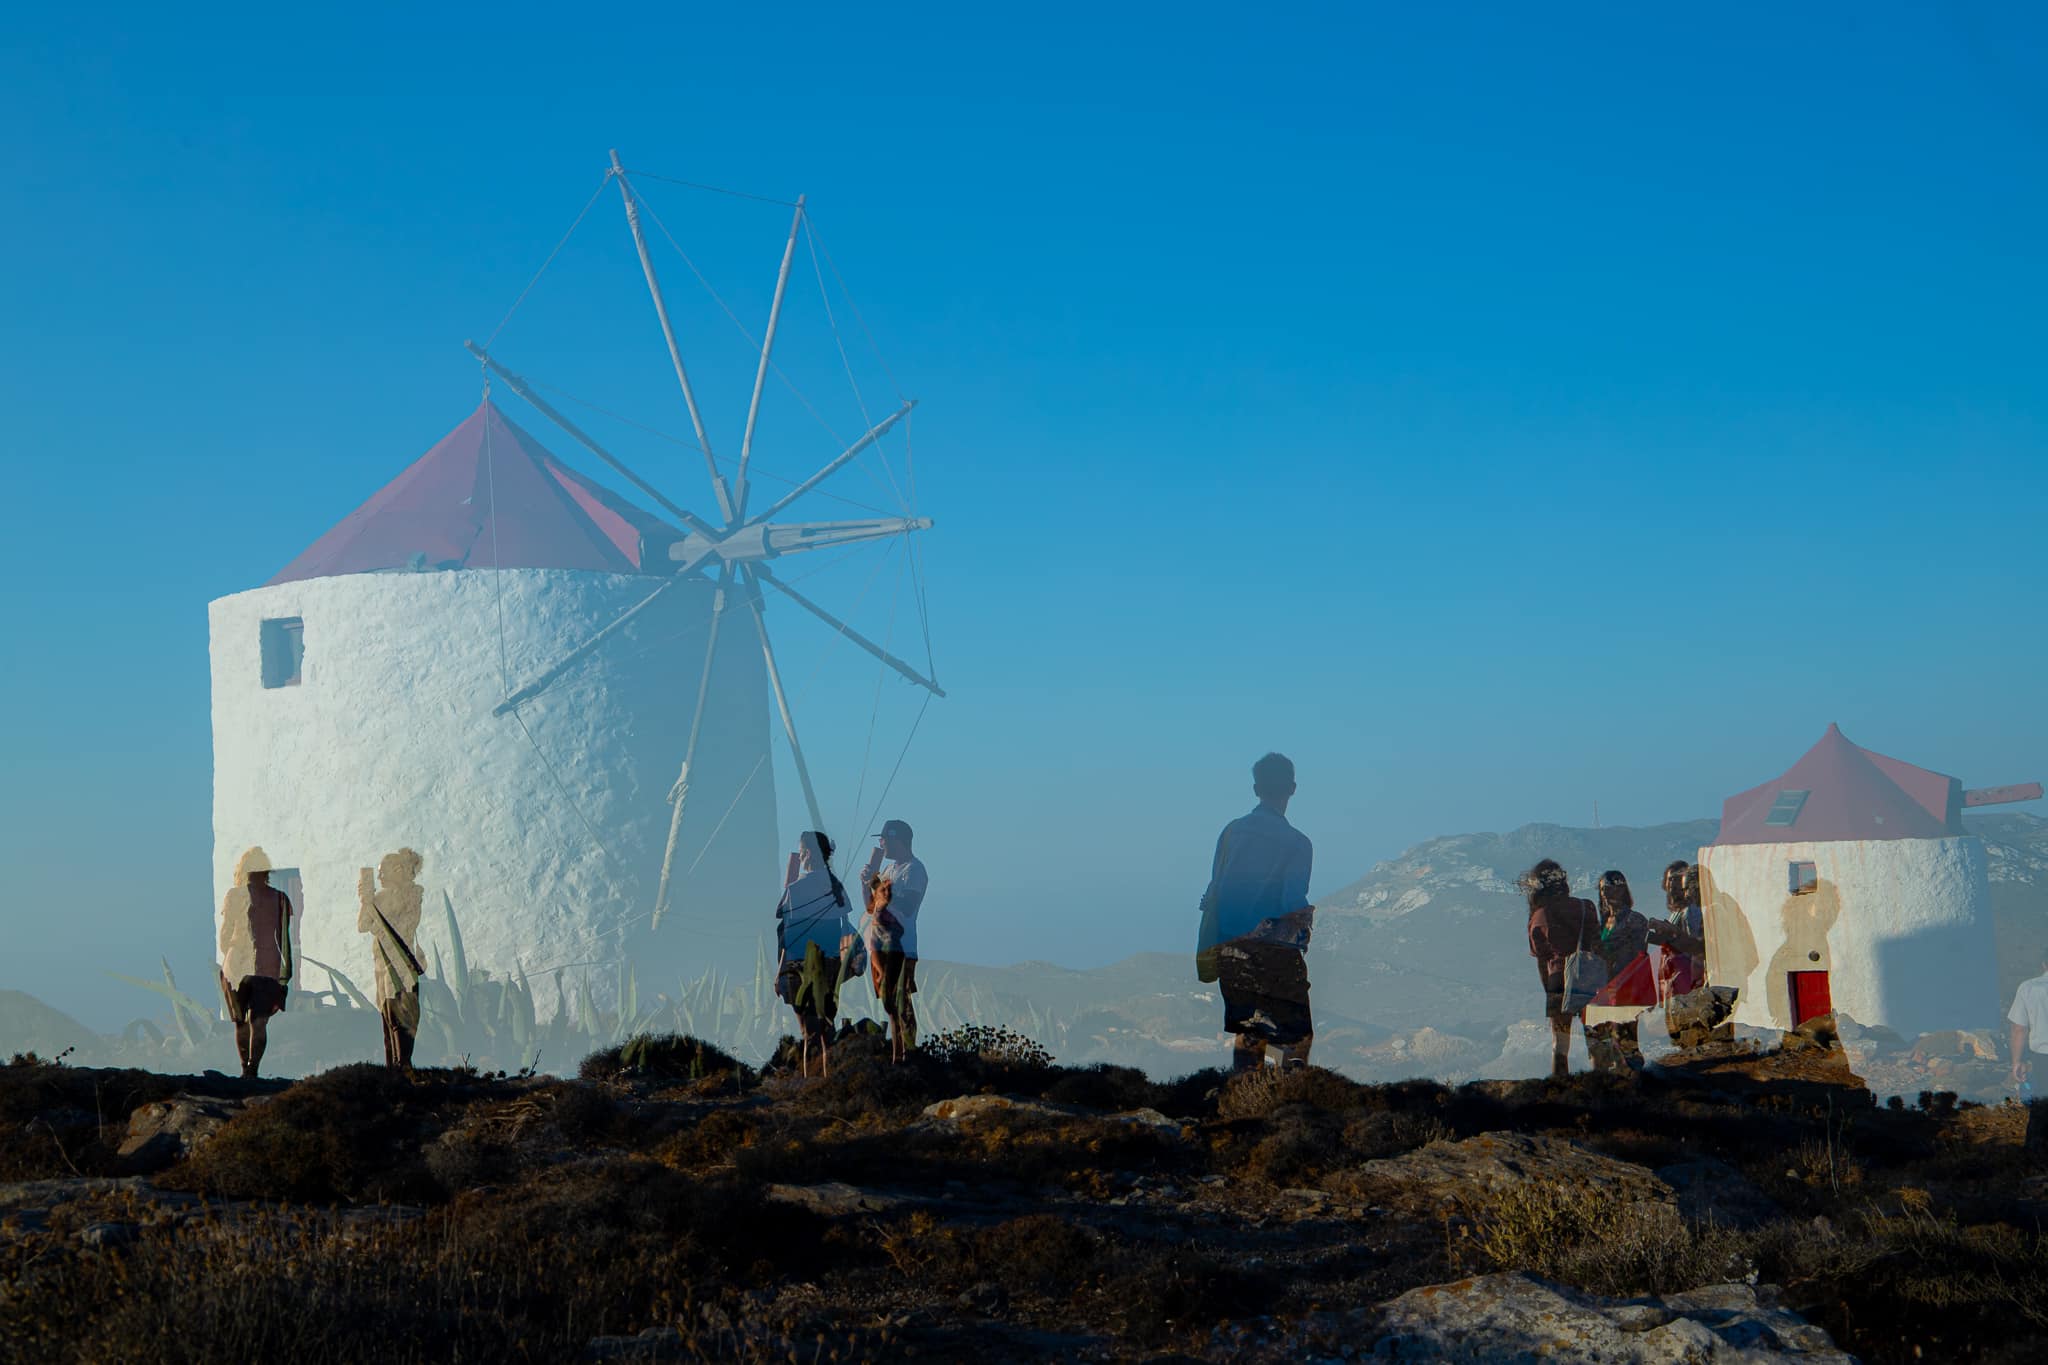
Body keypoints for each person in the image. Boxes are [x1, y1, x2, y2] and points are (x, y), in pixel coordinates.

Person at [1197, 753, 1315, 1072]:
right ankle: (1284, 1099)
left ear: (1255, 789)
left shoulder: (1231, 833)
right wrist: (1305, 923)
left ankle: (1244, 1101)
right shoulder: (1297, 843)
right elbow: (1292, 899)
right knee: (1294, 1035)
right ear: (1292, 788)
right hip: (1274, 950)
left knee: (1250, 1031)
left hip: (1231, 946)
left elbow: (1217, 886)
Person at [775, 831, 855, 1076]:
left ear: (808, 853)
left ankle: (812, 1080)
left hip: (800, 964)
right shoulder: (836, 886)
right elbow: (845, 925)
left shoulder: (796, 889)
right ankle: (826, 1077)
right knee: (825, 1026)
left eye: (801, 850)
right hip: (830, 962)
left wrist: (779, 973)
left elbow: (786, 935)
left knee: (807, 1030)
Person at [218, 847, 294, 1080]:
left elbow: (224, 935)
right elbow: (284, 938)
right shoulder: (280, 898)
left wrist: (232, 947)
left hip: (237, 966)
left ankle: (246, 1068)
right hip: (267, 965)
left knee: (241, 1022)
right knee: (258, 1023)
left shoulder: (234, 896)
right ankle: (252, 1069)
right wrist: (285, 971)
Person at [859, 819, 928, 1063]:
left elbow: (906, 906)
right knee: (890, 1003)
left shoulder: (914, 870)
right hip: (881, 946)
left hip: (901, 946)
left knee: (902, 1000)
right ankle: (897, 1054)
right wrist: (867, 884)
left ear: (897, 840)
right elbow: (871, 908)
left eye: (884, 840)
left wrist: (876, 884)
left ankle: (909, 1052)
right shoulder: (889, 871)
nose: (881, 844)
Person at [1525, 858, 1599, 1080]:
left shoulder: (1539, 917)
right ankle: (1601, 1081)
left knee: (1561, 1041)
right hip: (1589, 976)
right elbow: (1597, 943)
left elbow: (1541, 959)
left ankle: (1561, 1084)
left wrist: (1549, 990)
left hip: (1558, 977)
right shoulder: (1586, 907)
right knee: (1594, 1036)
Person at [357, 849, 425, 1070]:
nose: (379, 878)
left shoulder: (412, 894)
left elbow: (402, 927)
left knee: (402, 1015)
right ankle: (392, 1068)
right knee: (387, 1015)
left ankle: (403, 1066)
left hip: (400, 962)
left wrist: (374, 910)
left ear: (397, 870)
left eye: (382, 872)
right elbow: (363, 925)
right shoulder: (381, 898)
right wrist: (366, 902)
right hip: (382, 964)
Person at [1586, 870, 1652, 1072]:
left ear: (1622, 890)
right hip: (1605, 989)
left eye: (1610, 888)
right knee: (1609, 1041)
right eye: (1602, 889)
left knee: (1626, 1039)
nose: (1606, 894)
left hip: (1627, 988)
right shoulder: (1603, 923)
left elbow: (1639, 955)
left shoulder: (1635, 920)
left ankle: (1637, 1085)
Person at [1652, 860, 1708, 1041]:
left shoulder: (1691, 912)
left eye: (1679, 883)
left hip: (1689, 977)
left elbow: (1696, 947)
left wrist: (1672, 935)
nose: (1674, 888)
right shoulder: (1680, 912)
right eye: (1670, 882)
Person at [2008, 950, 2048, 1091]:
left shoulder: (2029, 987)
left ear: (2044, 964)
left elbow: (2019, 1029)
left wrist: (2017, 1062)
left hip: (2043, 1060)